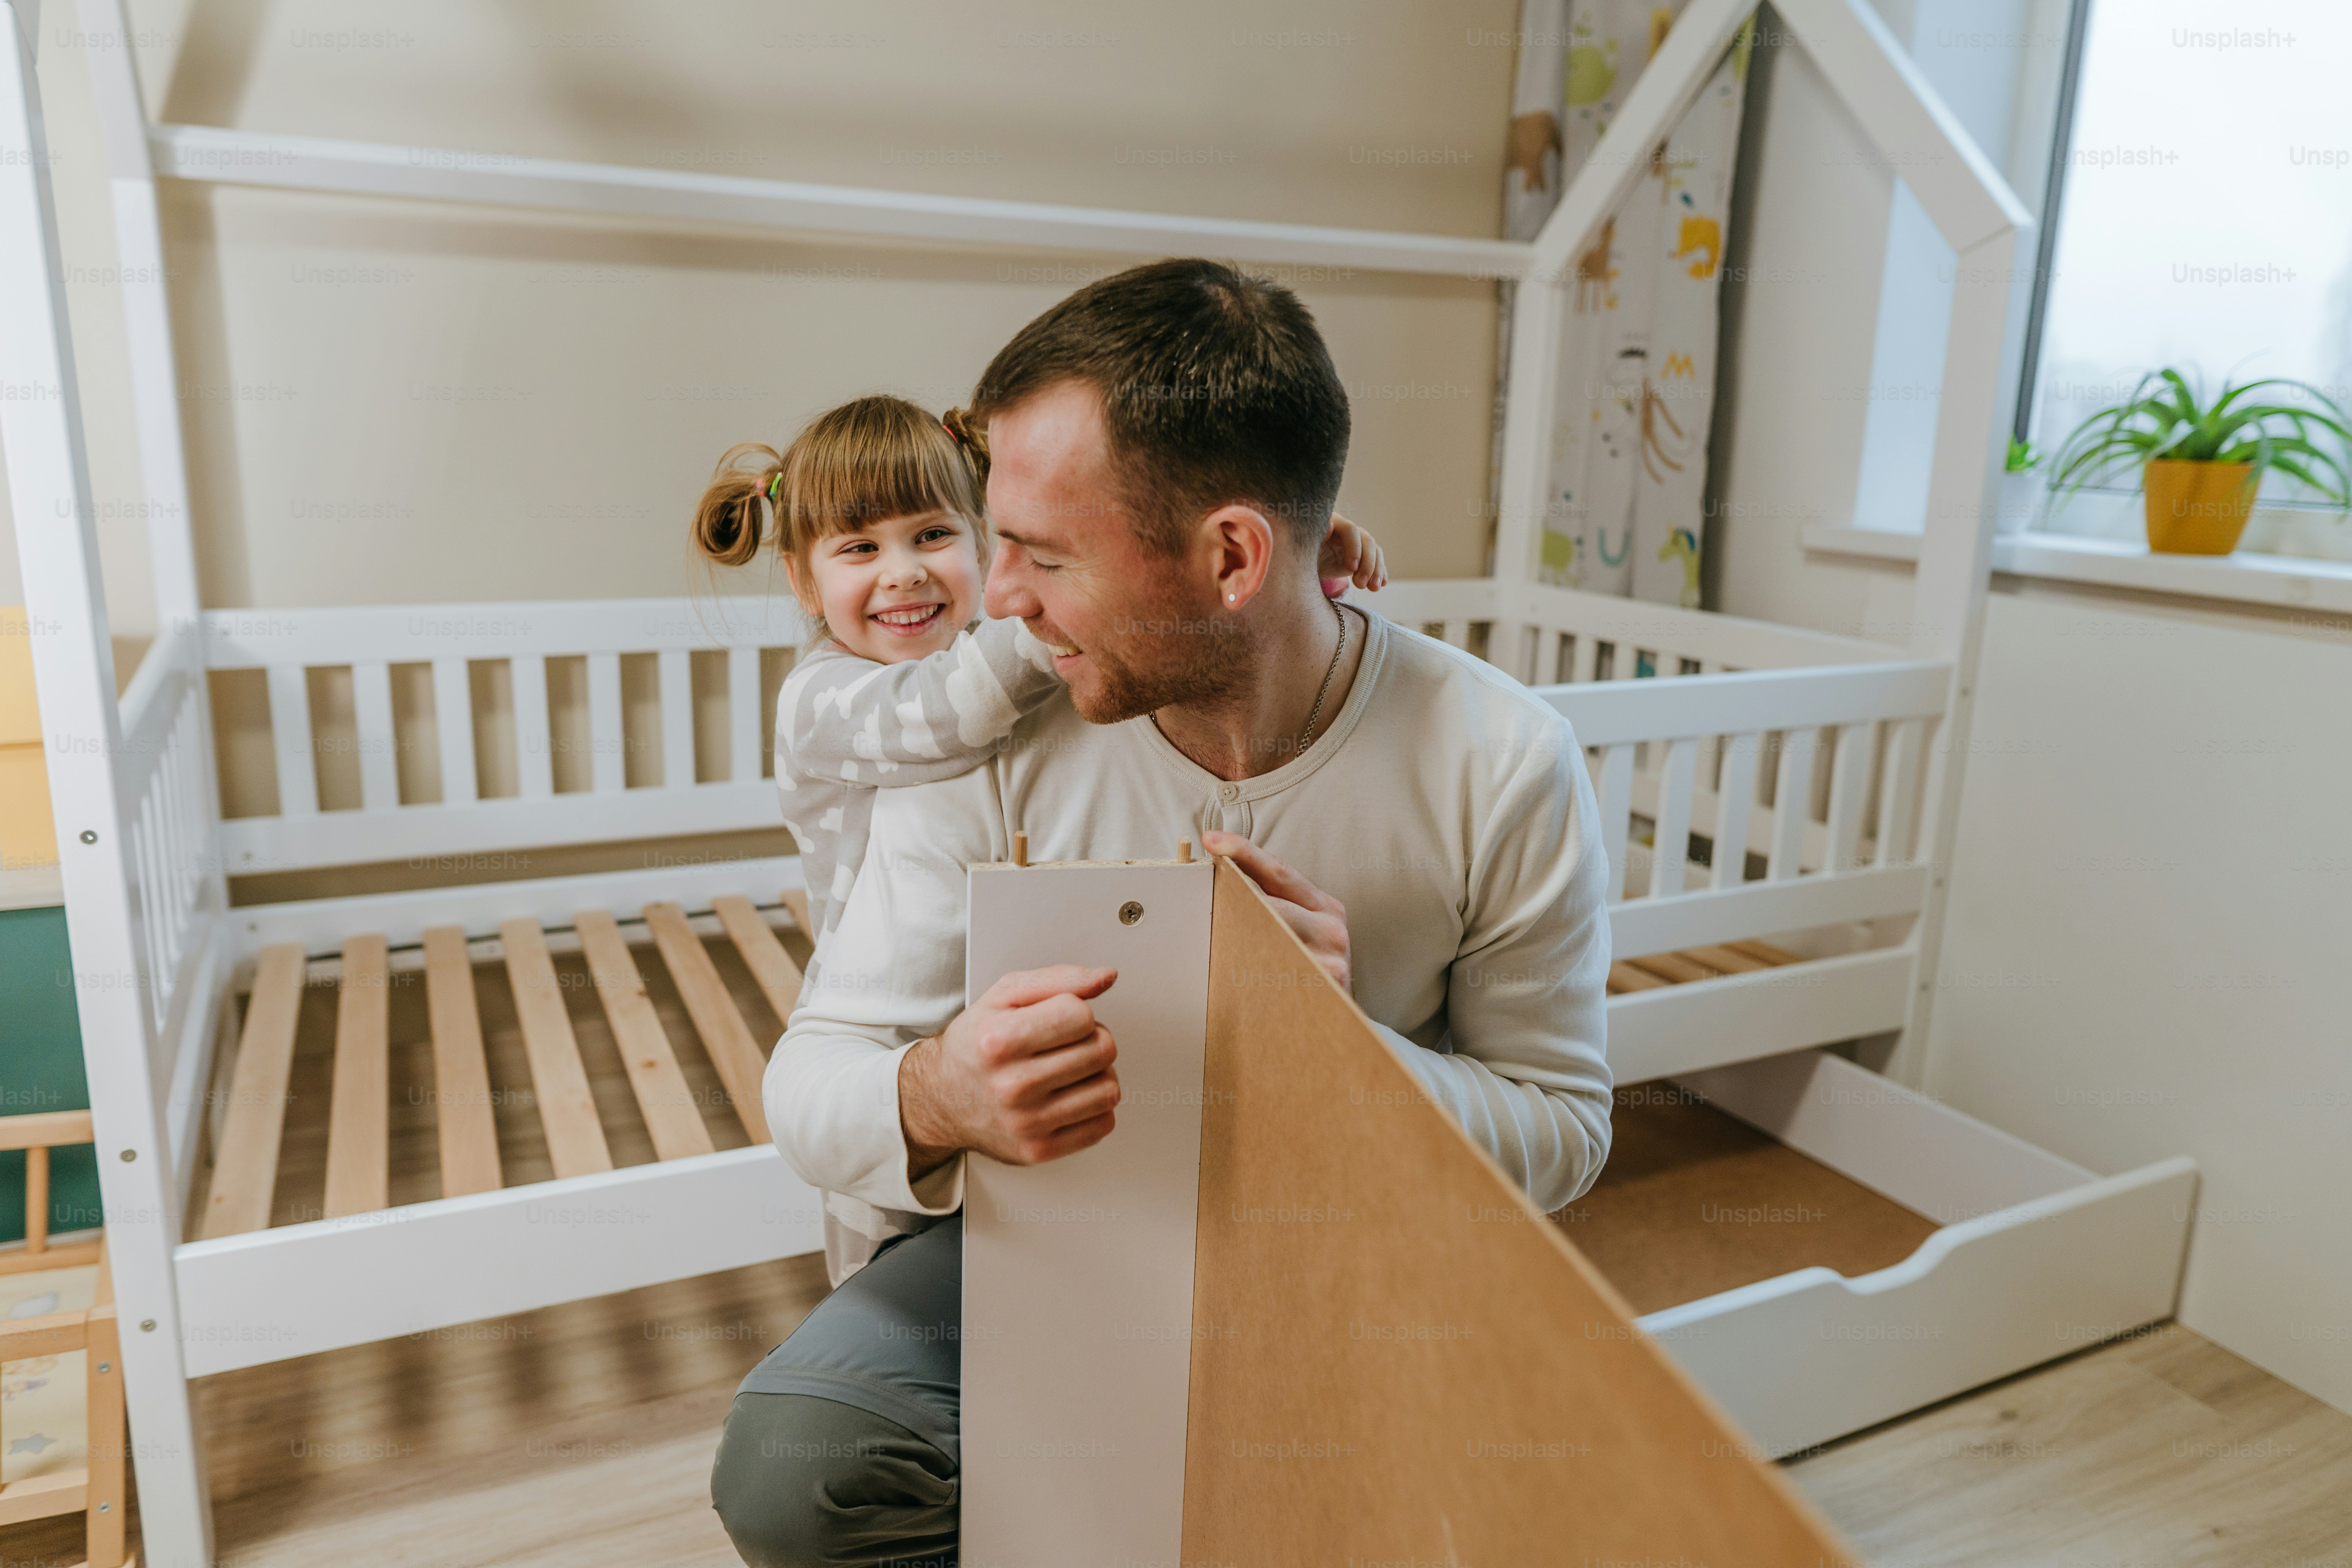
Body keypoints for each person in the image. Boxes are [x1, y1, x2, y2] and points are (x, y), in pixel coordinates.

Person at [709, 259, 1613, 1568]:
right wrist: (938, 1098)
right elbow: (813, 1077)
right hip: (1056, 1242)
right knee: (804, 1468)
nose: (997, 601)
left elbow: (1565, 1130)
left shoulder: (1502, 757)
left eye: (1041, 553)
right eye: (998, 540)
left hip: (1346, 1253)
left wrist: (1344, 1063)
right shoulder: (985, 742)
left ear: (1235, 556)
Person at [690, 393, 1388, 1280]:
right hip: (887, 999)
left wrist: (1288, 569)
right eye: (860, 549)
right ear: (802, 582)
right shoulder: (822, 699)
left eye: (932, 535)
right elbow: (946, 711)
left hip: (1001, 965)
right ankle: (881, 1307)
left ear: (983, 546)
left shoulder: (976, 646)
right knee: (885, 1224)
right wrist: (1080, 606)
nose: (902, 572)